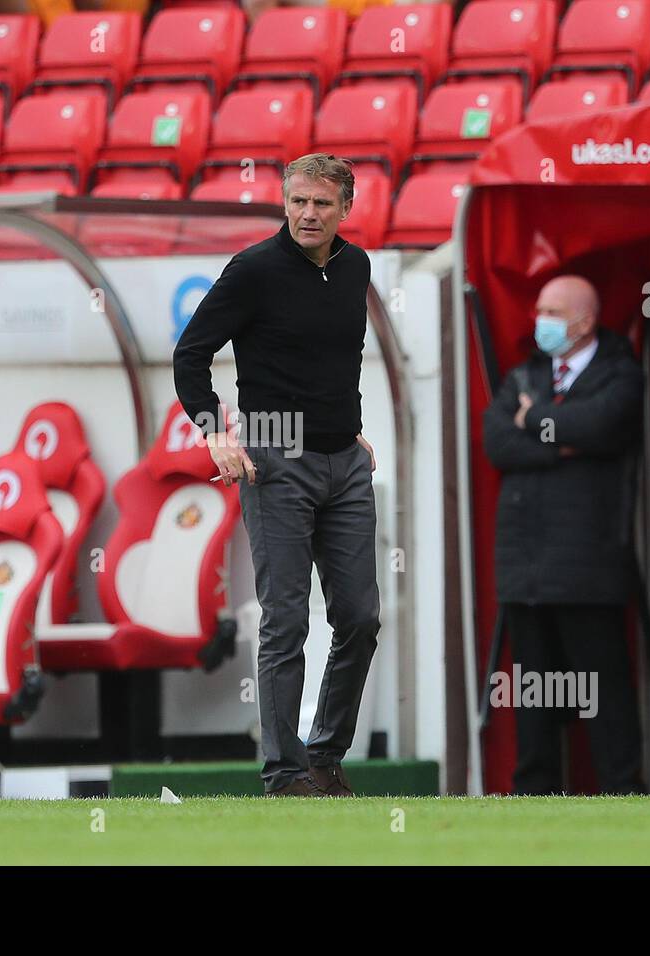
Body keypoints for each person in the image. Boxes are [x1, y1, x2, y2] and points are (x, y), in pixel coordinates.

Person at [172, 153, 379, 798]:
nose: (307, 214)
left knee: (361, 618)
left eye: (321, 203)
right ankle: (285, 773)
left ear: (346, 208)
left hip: (344, 461)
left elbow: (336, 361)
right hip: (275, 455)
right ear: (283, 203)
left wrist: (346, 427)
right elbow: (191, 354)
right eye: (297, 202)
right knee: (286, 620)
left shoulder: (356, 268)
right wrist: (214, 431)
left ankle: (324, 754)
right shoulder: (254, 269)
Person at [482, 275, 644, 795]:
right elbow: (498, 442)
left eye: (552, 310)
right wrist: (560, 439)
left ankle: (623, 791)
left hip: (588, 562)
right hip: (525, 563)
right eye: (538, 309)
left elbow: (602, 425)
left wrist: (539, 422)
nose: (540, 319)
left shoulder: (619, 372)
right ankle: (536, 792)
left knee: (603, 684)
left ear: (585, 321)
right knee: (534, 689)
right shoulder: (524, 376)